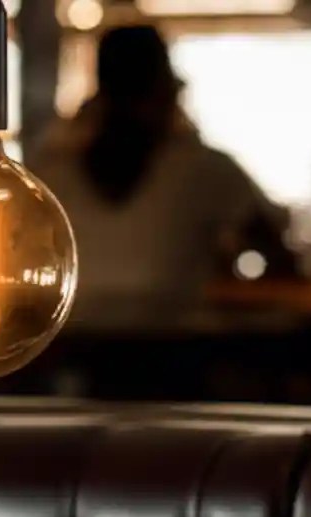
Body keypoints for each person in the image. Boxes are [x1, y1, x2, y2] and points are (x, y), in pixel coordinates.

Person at [34, 25, 285, 324]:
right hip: (173, 352)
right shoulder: (204, 168)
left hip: (69, 349)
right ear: (163, 91)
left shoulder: (49, 171)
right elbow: (279, 256)